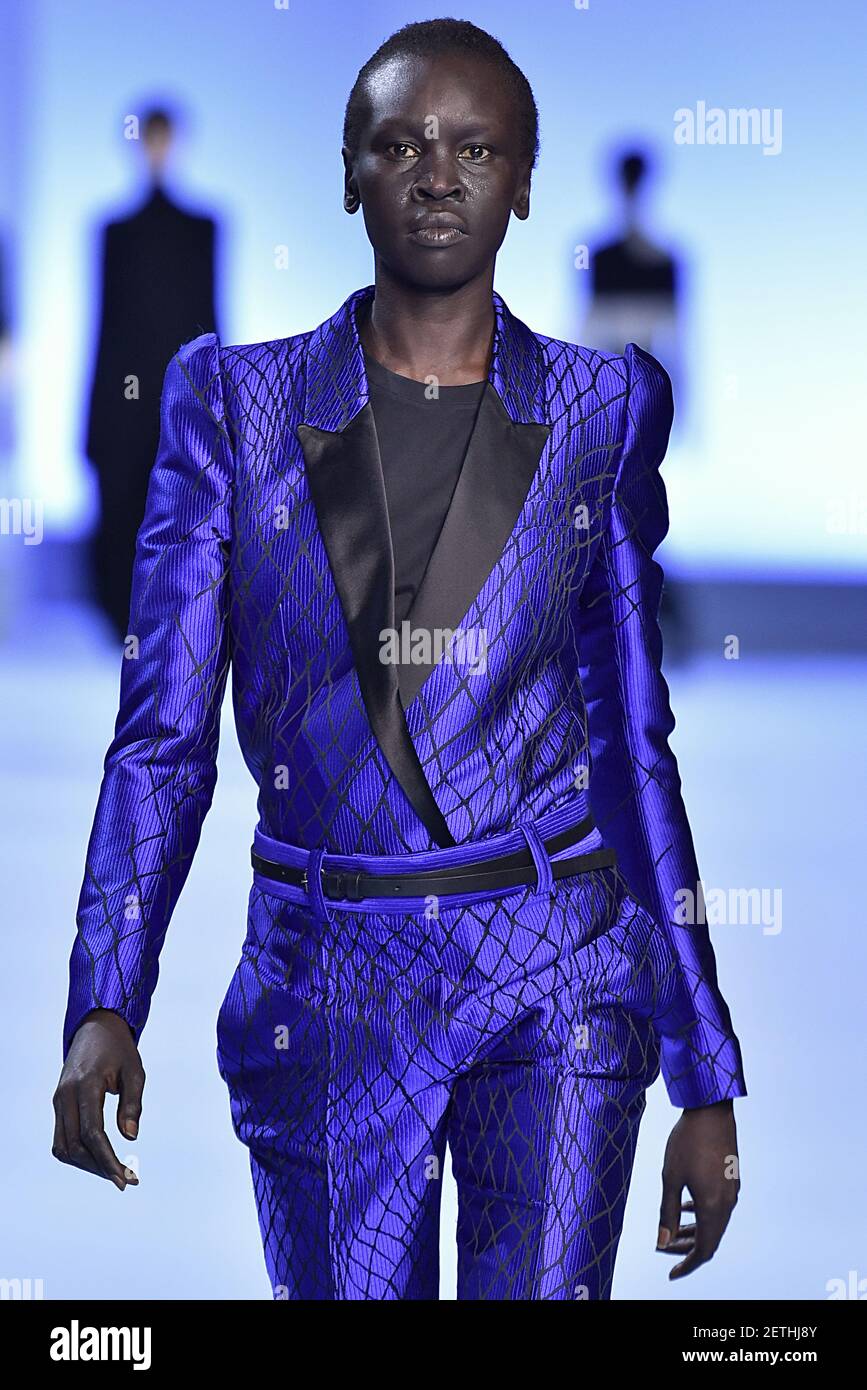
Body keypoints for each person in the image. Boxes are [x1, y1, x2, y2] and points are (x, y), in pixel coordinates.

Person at [53, 18, 746, 1301]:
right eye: (402, 143)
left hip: (555, 968)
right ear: (349, 172)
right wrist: (107, 994)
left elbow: (636, 748)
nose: (438, 173)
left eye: (476, 147)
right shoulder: (235, 406)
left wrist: (703, 1061)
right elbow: (162, 736)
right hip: (330, 972)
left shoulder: (601, 408)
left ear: (525, 183)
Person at [84, 104, 219, 640]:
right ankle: (126, 618)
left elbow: (210, 320)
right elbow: (105, 325)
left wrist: (217, 401)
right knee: (124, 511)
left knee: (182, 510)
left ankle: (172, 619)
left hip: (182, 393)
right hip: (124, 401)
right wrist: (93, 420)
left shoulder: (201, 229)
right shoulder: (116, 232)